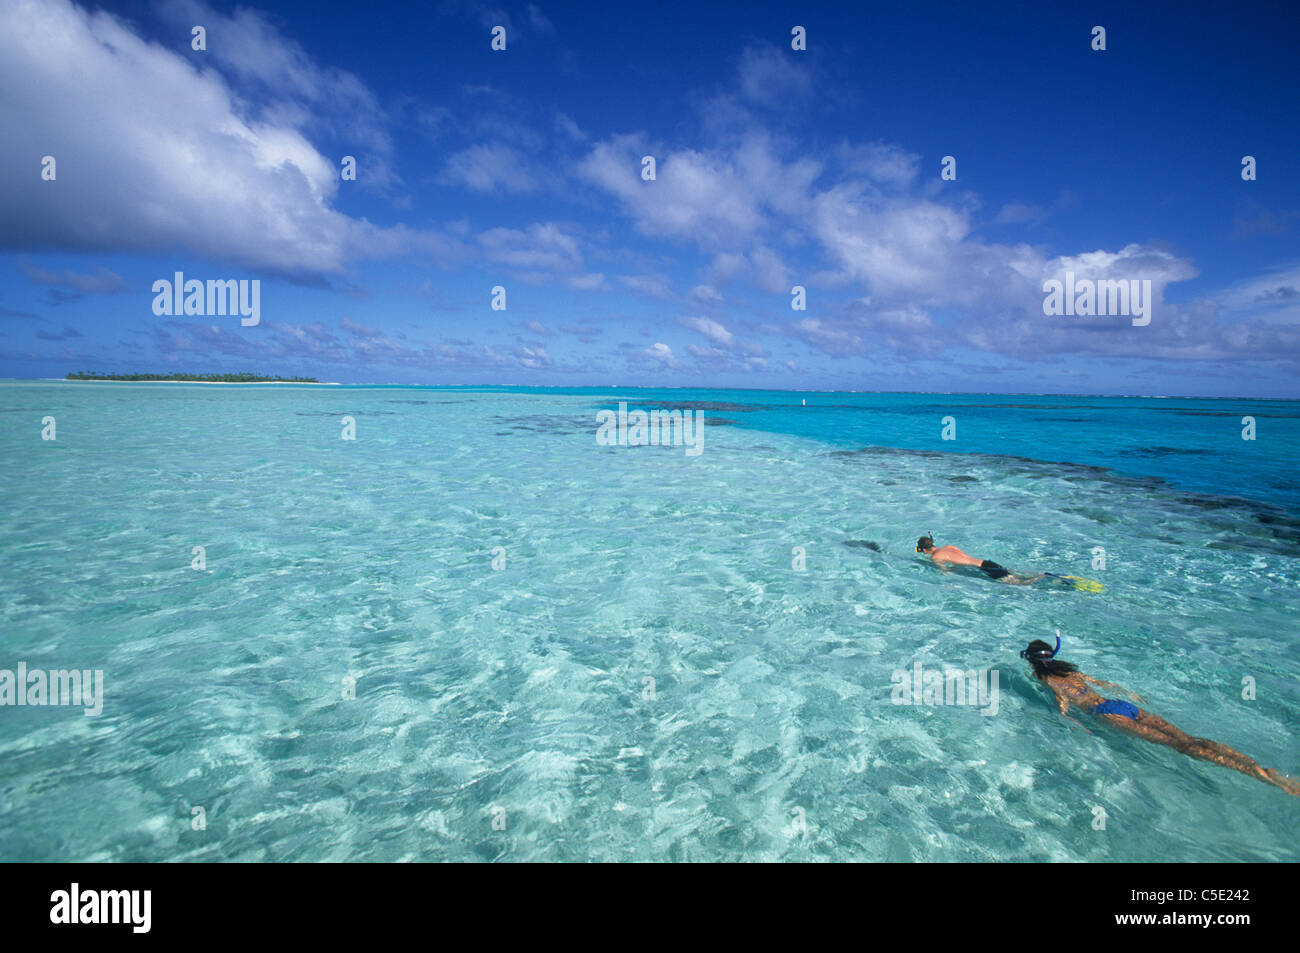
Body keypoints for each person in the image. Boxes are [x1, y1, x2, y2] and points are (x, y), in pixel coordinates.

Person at [1020, 635, 1300, 796]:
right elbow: (1106, 684)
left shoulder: (1047, 679)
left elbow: (1063, 702)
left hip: (1103, 712)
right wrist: (1134, 696)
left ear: (1033, 661)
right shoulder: (1070, 670)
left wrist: (1068, 722)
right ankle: (1254, 764)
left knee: (1181, 747)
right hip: (1122, 705)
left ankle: (1259, 775)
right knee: (1188, 738)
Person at [915, 535, 1039, 585]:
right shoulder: (948, 547)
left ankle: (1039, 580)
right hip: (986, 562)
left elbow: (945, 572)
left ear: (924, 550)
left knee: (1019, 584)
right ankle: (1041, 575)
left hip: (982, 569)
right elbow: (963, 558)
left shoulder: (935, 557)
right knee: (1013, 573)